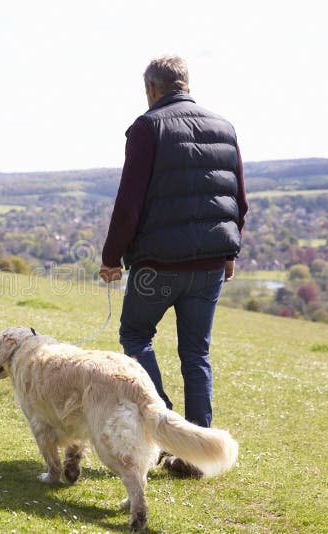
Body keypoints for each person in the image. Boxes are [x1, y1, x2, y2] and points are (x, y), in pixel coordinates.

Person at [99, 55, 248, 478]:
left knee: (134, 334)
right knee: (196, 353)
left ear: (152, 88)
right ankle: (197, 452)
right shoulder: (225, 126)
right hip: (209, 266)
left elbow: (128, 203)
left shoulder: (148, 127)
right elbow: (238, 197)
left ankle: (166, 430)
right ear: (186, 83)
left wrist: (112, 258)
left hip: (157, 264)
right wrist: (230, 254)